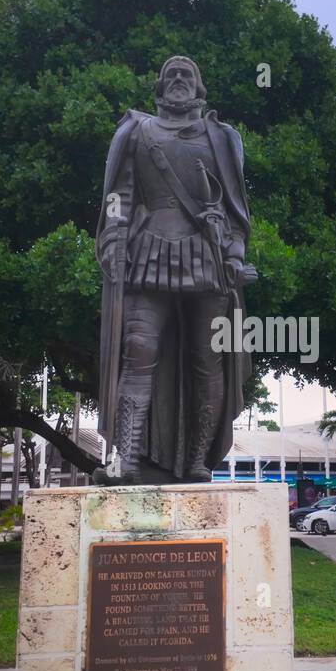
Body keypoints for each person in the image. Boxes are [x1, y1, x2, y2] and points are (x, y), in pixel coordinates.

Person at [93, 56, 253, 485]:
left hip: (208, 258)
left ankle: (199, 461)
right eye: (172, 75)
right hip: (147, 255)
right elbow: (119, 197)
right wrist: (113, 237)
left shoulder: (222, 137)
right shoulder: (135, 132)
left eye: (188, 75)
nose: (179, 80)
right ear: (159, 87)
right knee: (138, 352)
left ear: (199, 89)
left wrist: (235, 255)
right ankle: (127, 459)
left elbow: (235, 209)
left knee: (208, 361)